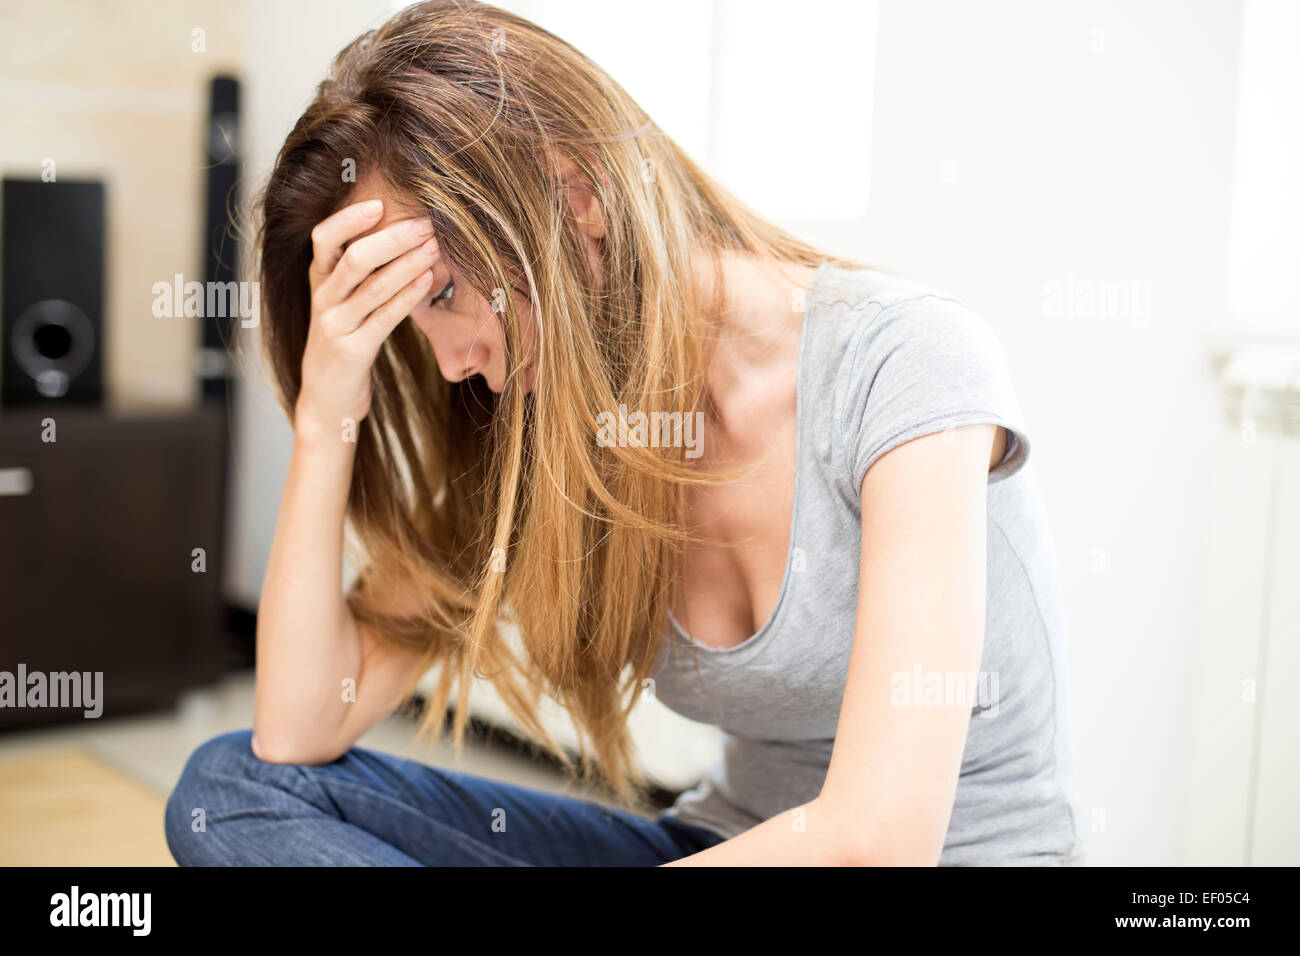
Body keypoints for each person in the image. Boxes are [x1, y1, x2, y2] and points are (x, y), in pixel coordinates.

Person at [166, 0, 1083, 866]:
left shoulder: (905, 360)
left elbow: (879, 841)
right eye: (414, 322)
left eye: (441, 293)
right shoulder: (544, 424)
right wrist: (327, 415)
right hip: (720, 846)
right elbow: (296, 731)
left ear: (575, 195)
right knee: (234, 786)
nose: (447, 363)